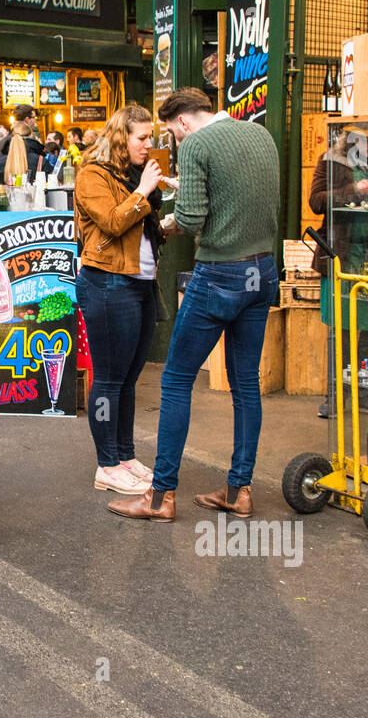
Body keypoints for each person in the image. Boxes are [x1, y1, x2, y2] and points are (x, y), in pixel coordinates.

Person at [108, 88, 279, 522]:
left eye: (171, 134)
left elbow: (191, 219)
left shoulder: (198, 143)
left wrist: (164, 224)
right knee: (246, 386)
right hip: (263, 273)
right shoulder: (261, 135)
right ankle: (239, 492)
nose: (174, 142)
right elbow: (240, 197)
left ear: (183, 122)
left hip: (219, 274)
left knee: (177, 379)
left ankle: (160, 496)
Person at [73, 105, 165, 498]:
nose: (149, 144)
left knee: (128, 380)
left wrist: (165, 223)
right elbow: (112, 222)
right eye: (141, 137)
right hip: (108, 283)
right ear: (119, 138)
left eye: (151, 137)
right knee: (109, 379)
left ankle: (125, 457)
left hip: (140, 284)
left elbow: (139, 230)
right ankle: (107, 464)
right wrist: (144, 190)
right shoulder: (92, 174)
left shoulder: (131, 176)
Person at [309, 126, 368, 419]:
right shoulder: (331, 161)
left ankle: (361, 390)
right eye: (365, 139)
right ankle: (335, 393)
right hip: (340, 253)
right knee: (340, 326)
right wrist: (354, 191)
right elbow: (316, 201)